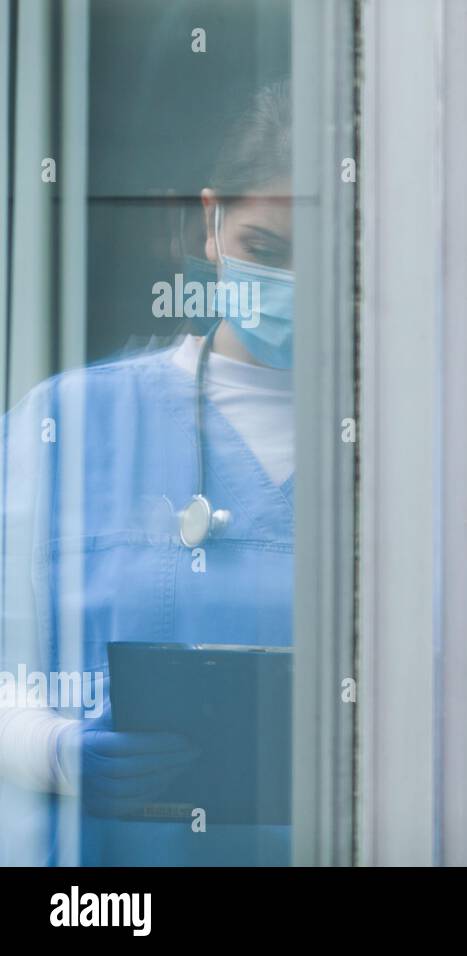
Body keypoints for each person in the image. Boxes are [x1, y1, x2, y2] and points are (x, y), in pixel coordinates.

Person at [0, 79, 295, 865]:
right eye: (265, 252)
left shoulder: (440, 461)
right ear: (209, 221)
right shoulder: (65, 426)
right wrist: (55, 750)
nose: (292, 288)